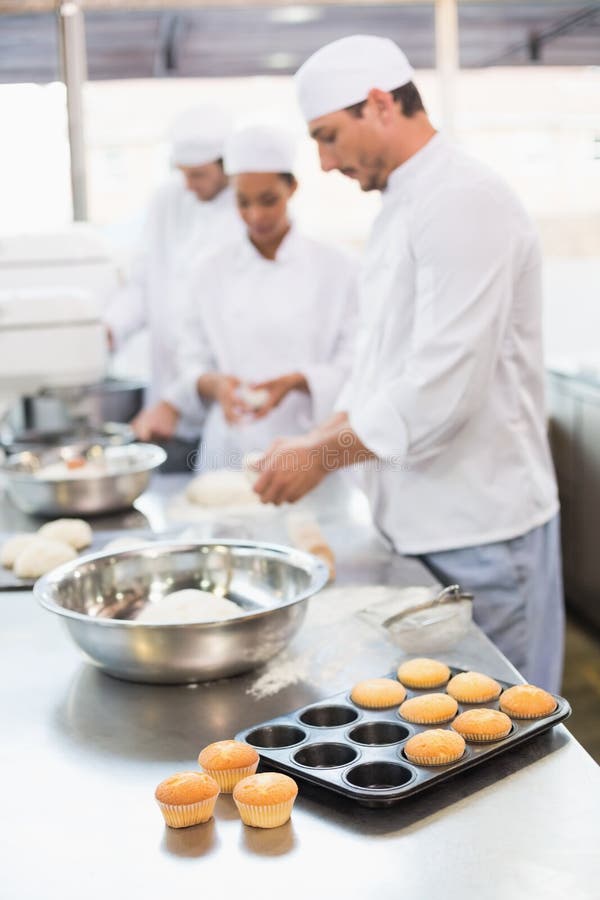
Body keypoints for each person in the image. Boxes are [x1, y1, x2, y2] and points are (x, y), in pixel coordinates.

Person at [253, 35, 564, 693]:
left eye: (329, 136)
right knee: (446, 737)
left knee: (505, 738)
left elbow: (442, 389)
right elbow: (379, 366)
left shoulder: (463, 199)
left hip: (483, 534)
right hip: (421, 526)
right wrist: (314, 437)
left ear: (378, 104)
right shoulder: (403, 205)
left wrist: (320, 457)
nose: (324, 161)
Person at [151, 122, 358, 470]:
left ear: (292, 187)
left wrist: (298, 381)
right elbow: (191, 357)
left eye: (268, 200)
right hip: (230, 447)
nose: (255, 216)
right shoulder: (210, 270)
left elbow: (356, 359)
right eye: (242, 202)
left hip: (309, 447)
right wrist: (215, 385)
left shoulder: (336, 268)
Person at [104, 104, 241, 452]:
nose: (190, 185)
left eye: (199, 175)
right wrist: (112, 326)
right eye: (183, 174)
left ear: (226, 166)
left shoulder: (249, 211)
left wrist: (182, 396)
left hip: (219, 402)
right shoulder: (168, 200)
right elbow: (143, 282)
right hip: (165, 402)